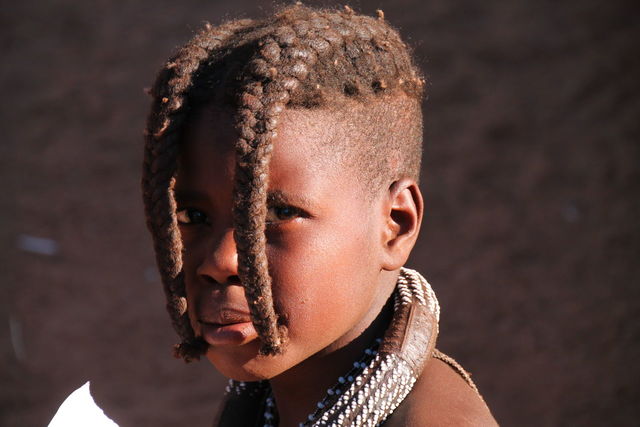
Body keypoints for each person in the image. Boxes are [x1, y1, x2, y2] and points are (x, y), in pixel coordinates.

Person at [142, 4, 497, 426]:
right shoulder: (267, 402)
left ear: (395, 226)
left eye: (279, 212)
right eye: (194, 215)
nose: (221, 262)